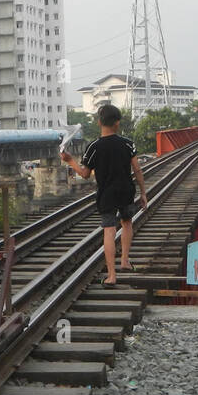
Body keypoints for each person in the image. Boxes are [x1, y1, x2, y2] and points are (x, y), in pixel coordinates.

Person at [59, 103, 149, 286]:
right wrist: (144, 193)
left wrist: (70, 161)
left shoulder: (93, 147)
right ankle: (124, 260)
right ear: (117, 123)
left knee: (109, 231)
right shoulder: (128, 144)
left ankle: (111, 275)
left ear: (99, 122)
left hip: (106, 193)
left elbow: (84, 174)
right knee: (127, 222)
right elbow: (138, 170)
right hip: (126, 190)